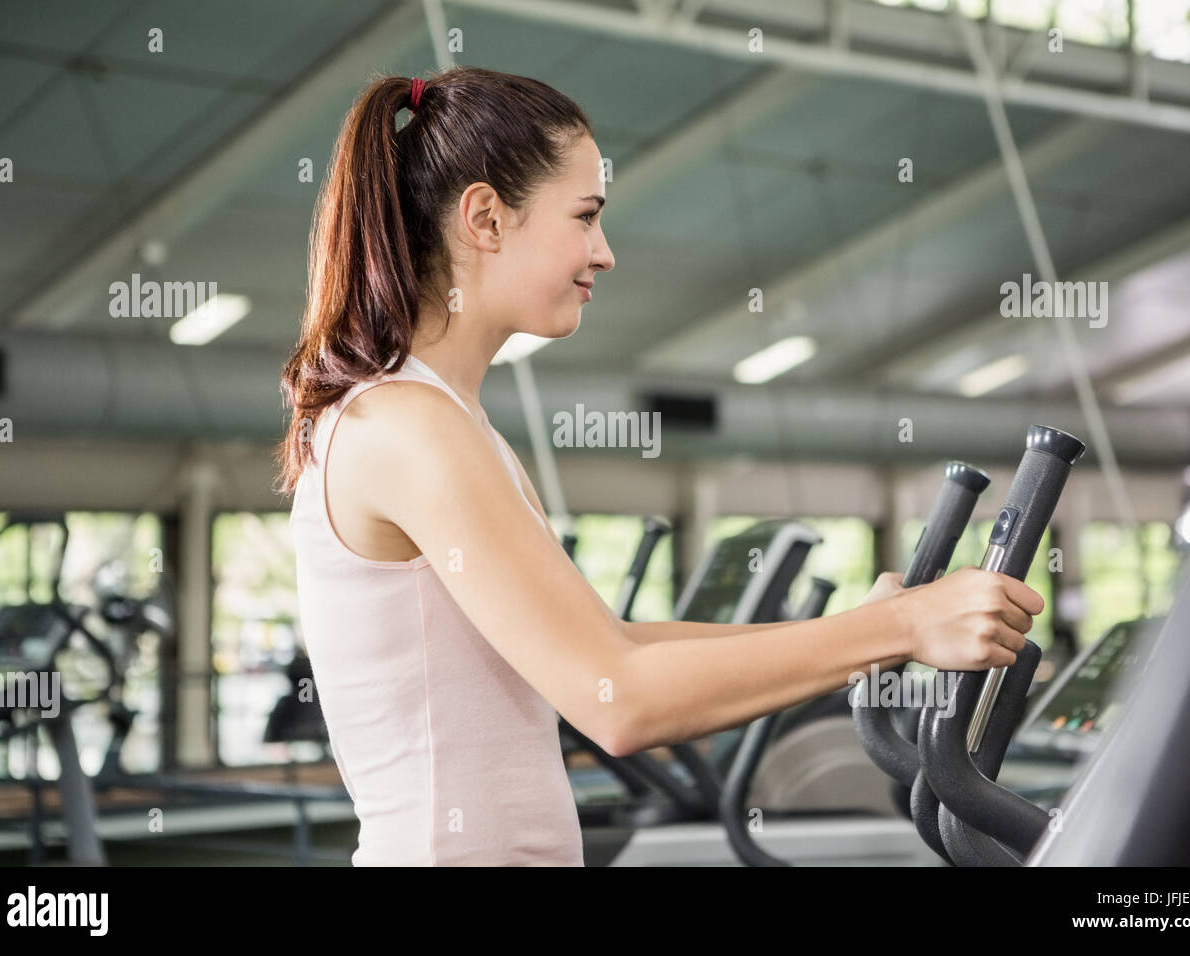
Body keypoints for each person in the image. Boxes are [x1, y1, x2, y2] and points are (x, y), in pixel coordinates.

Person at [276, 67, 1043, 866]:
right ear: (485, 218)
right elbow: (620, 700)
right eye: (585, 217)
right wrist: (898, 625)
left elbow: (613, 646)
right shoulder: (409, 426)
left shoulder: (444, 422)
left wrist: (863, 636)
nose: (603, 254)